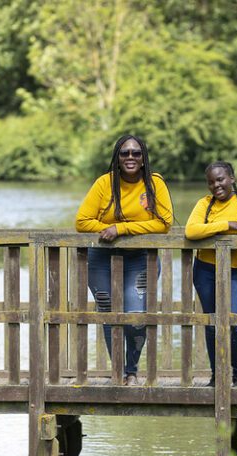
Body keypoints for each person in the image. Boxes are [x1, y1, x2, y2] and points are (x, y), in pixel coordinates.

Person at [75, 135, 173, 385]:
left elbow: (164, 223)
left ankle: (132, 369)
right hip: (101, 259)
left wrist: (120, 229)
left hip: (140, 259)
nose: (130, 158)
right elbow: (82, 221)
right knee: (109, 312)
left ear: (144, 159)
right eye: (125, 153)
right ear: (117, 158)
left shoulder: (155, 183)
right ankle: (119, 372)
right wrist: (107, 230)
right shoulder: (104, 183)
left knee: (135, 315)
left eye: (136, 153)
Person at [185, 161, 237, 387]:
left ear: (232, 178)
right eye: (211, 182)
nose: (215, 185)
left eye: (220, 179)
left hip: (235, 271)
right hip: (205, 269)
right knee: (211, 323)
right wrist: (227, 225)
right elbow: (192, 230)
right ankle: (216, 375)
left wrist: (214, 229)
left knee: (231, 321)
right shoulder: (204, 203)